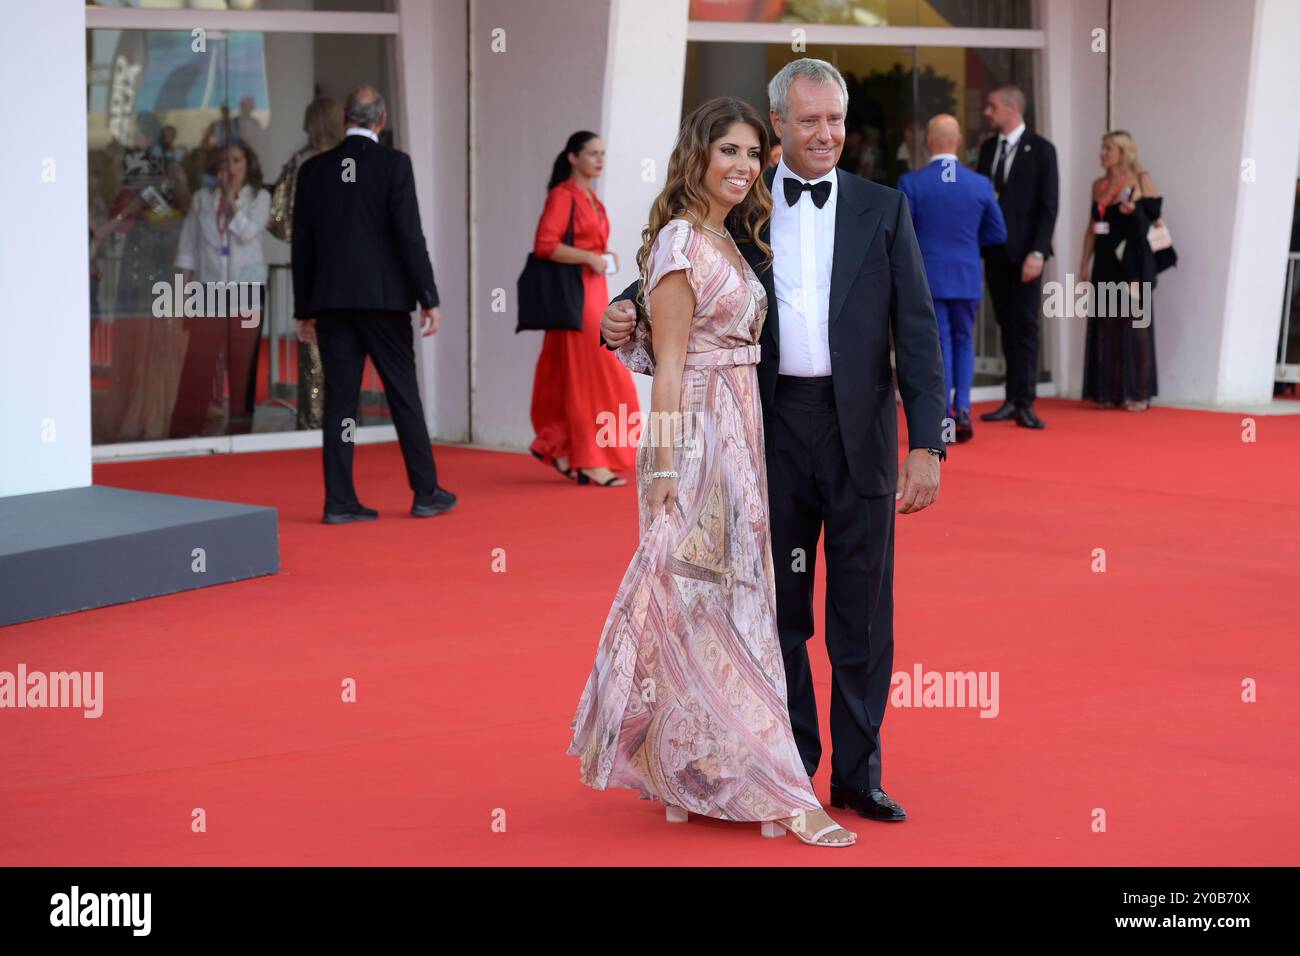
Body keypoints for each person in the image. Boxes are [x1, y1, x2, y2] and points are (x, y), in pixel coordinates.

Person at [601, 59, 947, 825]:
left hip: (860, 434)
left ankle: (858, 774)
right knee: (776, 612)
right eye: (808, 121)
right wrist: (618, 311)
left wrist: (928, 441)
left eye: (835, 120)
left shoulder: (882, 209)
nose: (825, 135)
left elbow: (917, 332)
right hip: (767, 429)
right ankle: (786, 765)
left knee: (863, 615)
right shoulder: (747, 202)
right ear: (778, 125)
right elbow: (682, 258)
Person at [568, 96, 856, 847]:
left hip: (741, 430)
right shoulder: (679, 242)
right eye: (728, 151)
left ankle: (690, 773)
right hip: (696, 438)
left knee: (722, 605)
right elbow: (666, 368)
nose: (743, 166)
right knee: (719, 604)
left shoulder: (725, 237)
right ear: (697, 155)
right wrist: (663, 464)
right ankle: (784, 791)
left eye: (753, 154)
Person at [291, 84, 456, 524]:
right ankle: (425, 491)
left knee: (339, 405)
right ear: (380, 120)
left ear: (347, 115)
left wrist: (303, 310)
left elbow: (302, 247)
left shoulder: (313, 171)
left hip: (330, 305)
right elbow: (409, 236)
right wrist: (430, 298)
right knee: (403, 396)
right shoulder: (394, 165)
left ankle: (339, 501)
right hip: (383, 304)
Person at [528, 132, 639, 487]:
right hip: (575, 296)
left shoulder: (589, 197)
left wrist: (603, 257)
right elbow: (545, 245)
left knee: (570, 375)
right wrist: (590, 257)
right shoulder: (564, 196)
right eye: (592, 153)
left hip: (591, 290)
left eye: (603, 153)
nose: (599, 160)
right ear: (573, 158)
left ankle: (559, 448)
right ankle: (591, 460)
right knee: (599, 374)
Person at [898, 114, 1006, 443]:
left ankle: (943, 417)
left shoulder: (912, 183)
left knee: (939, 347)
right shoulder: (980, 184)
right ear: (957, 141)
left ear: (929, 142)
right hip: (967, 275)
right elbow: (997, 232)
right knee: (964, 343)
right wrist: (968, 247)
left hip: (929, 277)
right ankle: (963, 411)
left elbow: (905, 235)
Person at [172, 139, 270, 437]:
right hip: (208, 290)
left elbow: (247, 233)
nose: (230, 168)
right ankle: (184, 431)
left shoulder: (259, 197)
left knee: (242, 367)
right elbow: (187, 248)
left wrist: (230, 199)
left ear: (247, 164)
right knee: (198, 364)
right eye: (224, 162)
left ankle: (240, 432)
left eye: (237, 160)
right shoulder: (202, 198)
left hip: (246, 291)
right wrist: (181, 297)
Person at [977, 84, 1058, 429]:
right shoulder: (988, 148)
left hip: (1026, 254)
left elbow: (1048, 206)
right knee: (1006, 326)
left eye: (992, 106)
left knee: (1025, 327)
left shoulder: (1041, 150)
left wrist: (1038, 251)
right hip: (994, 254)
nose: (987, 112)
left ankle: (1026, 401)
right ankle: (1010, 399)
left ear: (1012, 108)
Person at [268, 96, 345, 430]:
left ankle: (314, 420)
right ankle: (346, 421)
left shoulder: (300, 164)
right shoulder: (351, 161)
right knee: (346, 349)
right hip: (347, 267)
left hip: (313, 265)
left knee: (313, 345)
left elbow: (280, 220)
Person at [1080, 130, 1162, 411]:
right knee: (1108, 326)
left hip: (1132, 262)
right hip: (1105, 261)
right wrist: (1083, 264)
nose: (1103, 153)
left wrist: (1133, 212)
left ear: (1124, 152)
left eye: (1109, 149)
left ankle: (1140, 391)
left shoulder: (1141, 180)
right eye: (1102, 148)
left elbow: (1155, 220)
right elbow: (1092, 228)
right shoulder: (1098, 185)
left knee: (1137, 325)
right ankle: (1110, 390)